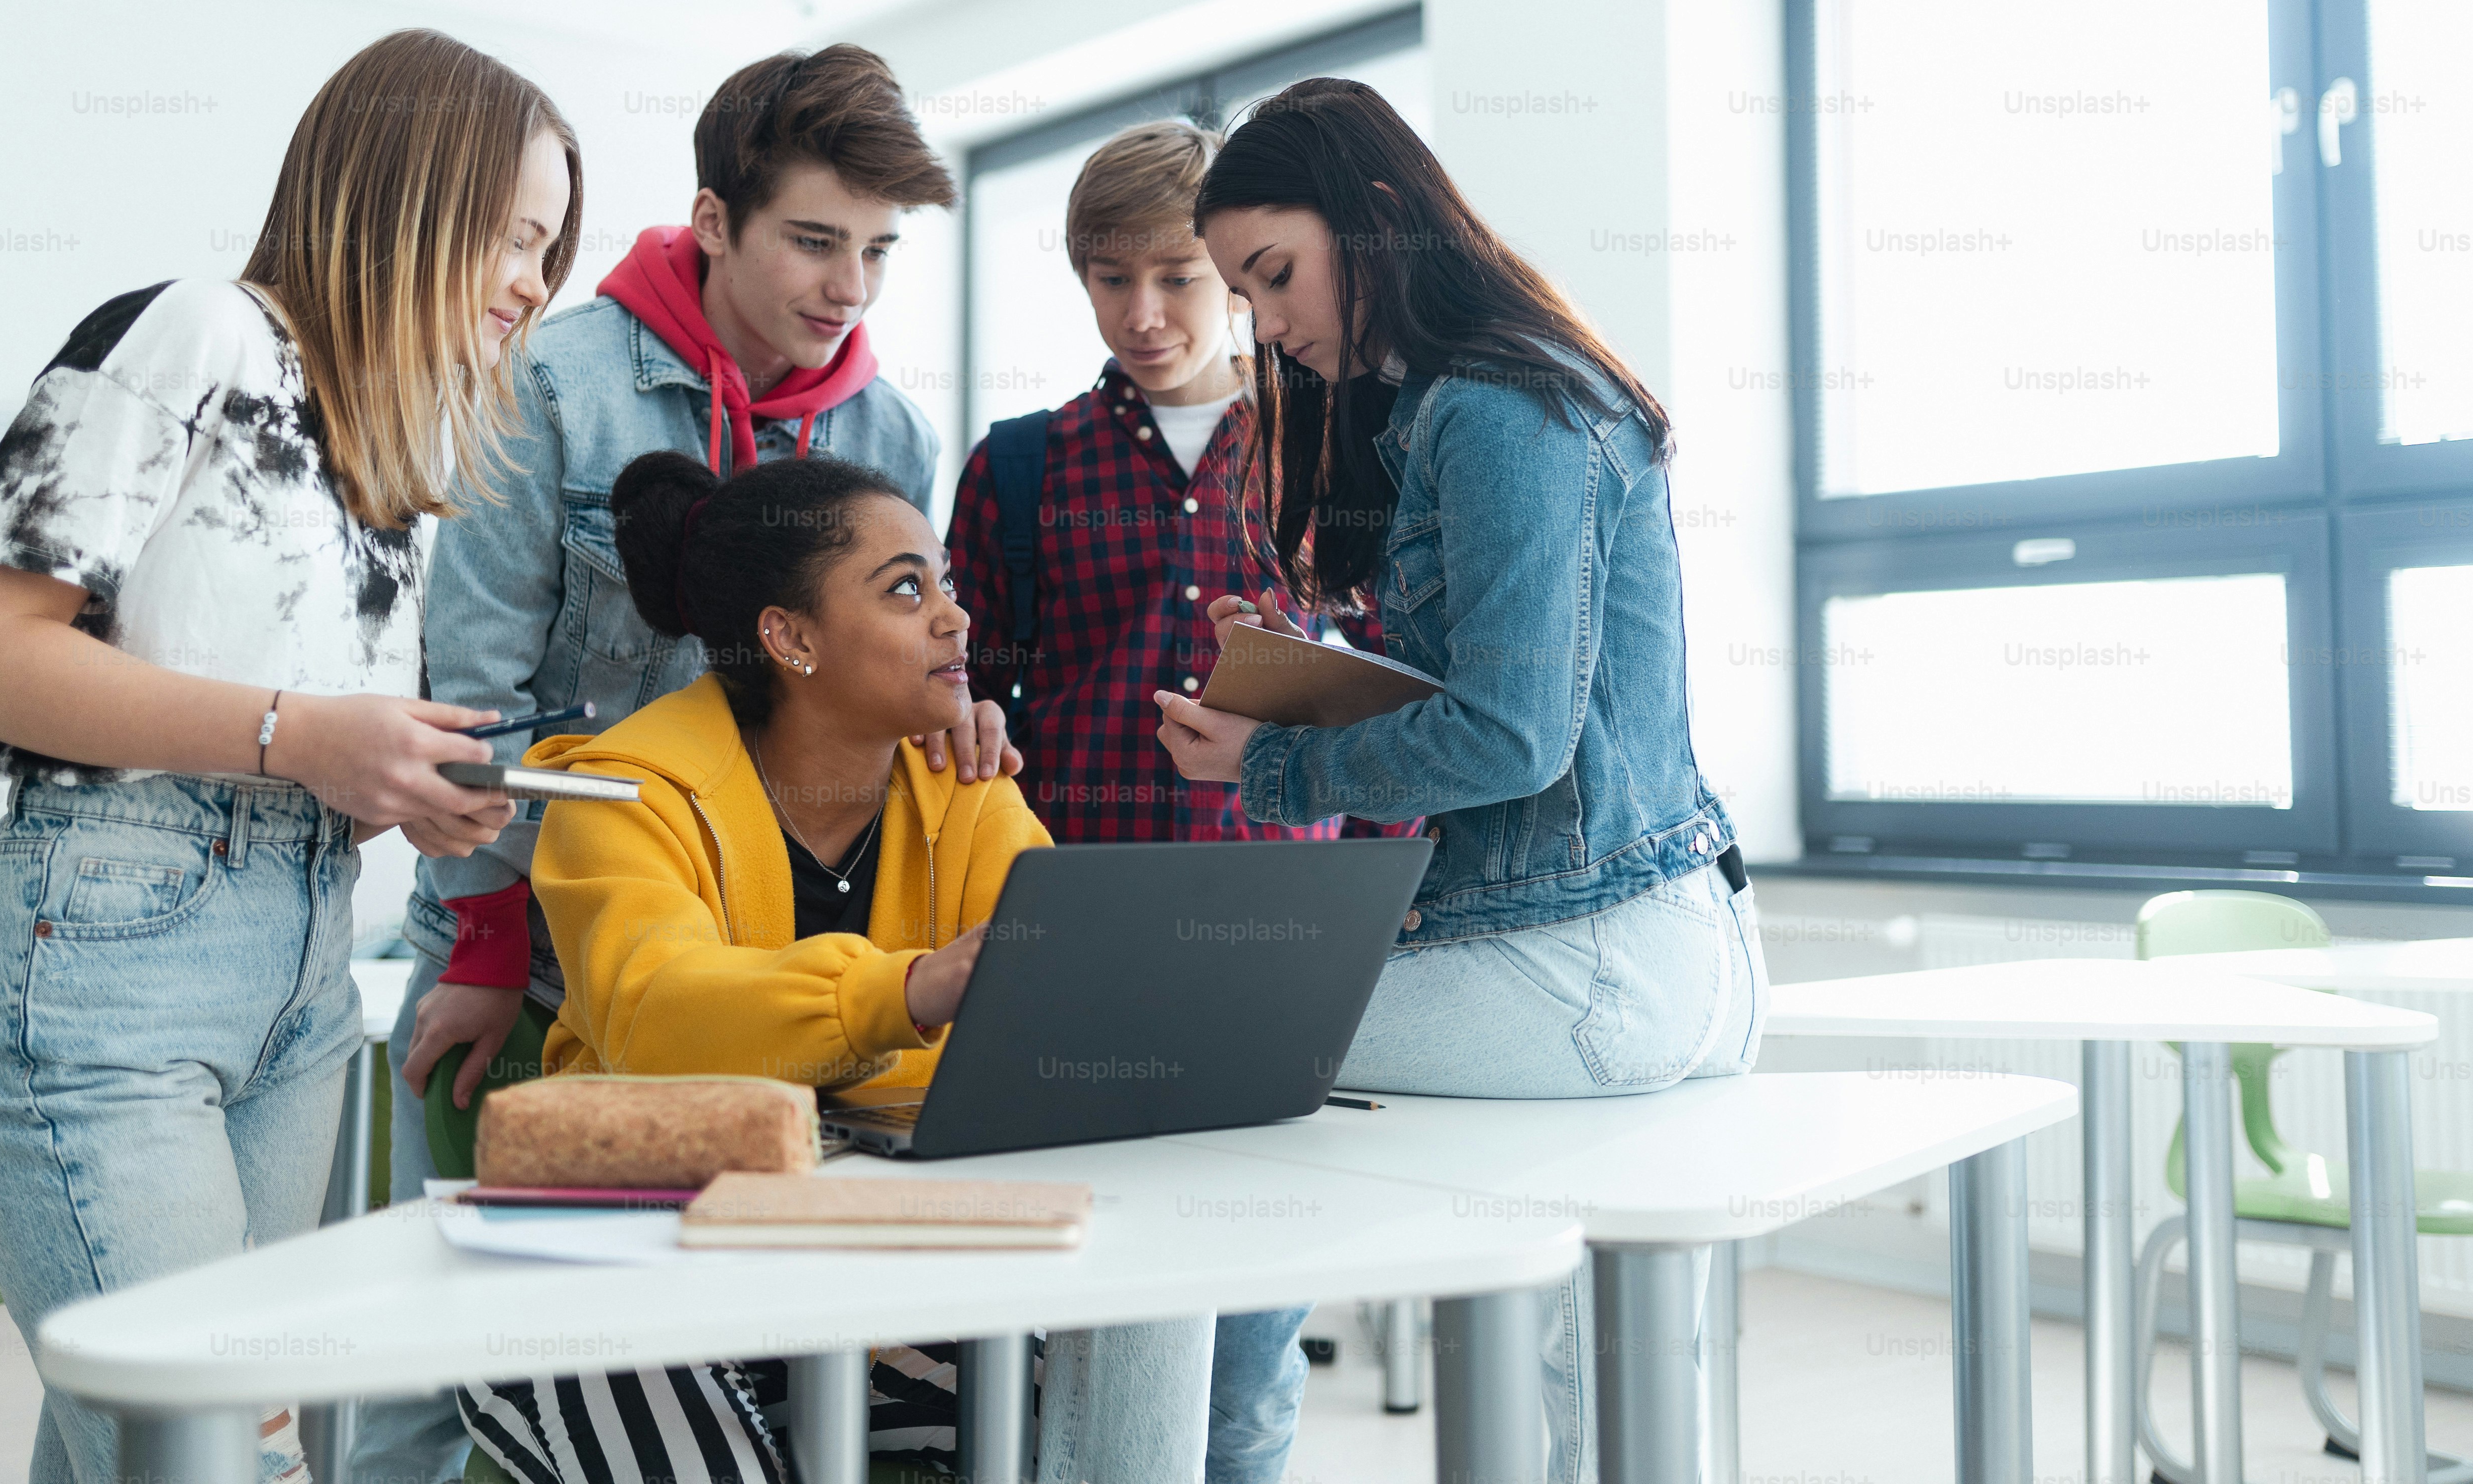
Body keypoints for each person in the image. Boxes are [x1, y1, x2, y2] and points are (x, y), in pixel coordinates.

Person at [0, 29, 573, 1484]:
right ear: (414, 192)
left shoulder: (386, 455)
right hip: (107, 960)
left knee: (142, 1456)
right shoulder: (200, 331)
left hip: (298, 975)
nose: (535, 286)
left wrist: (396, 785)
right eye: (517, 238)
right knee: (231, 1456)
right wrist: (304, 737)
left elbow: (289, 744)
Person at [356, 45, 1014, 1484]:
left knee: (701, 1333)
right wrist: (480, 927)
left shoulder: (888, 429)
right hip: (524, 931)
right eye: (814, 241)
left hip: (754, 978)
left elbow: (893, 679)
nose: (848, 287)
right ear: (716, 221)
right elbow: (471, 698)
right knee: (430, 1353)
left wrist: (951, 701)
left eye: (880, 253)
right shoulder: (558, 383)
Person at [1150, 77, 1769, 1484]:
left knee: (1183, 1040)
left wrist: (1277, 757)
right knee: (1589, 1374)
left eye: (1275, 276)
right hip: (1657, 940)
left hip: (1593, 959)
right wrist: (1315, 676)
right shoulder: (1513, 387)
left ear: (1374, 219)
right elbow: (1520, 699)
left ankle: (1184, 1454)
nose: (1267, 324)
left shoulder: (1493, 409)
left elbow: (1511, 740)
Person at [459, 449, 1218, 1482]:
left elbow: (1063, 1003)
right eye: (908, 590)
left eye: (946, 581)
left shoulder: (970, 786)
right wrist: (904, 990)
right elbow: (655, 1013)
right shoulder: (622, 798)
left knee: (1128, 1335)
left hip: (865, 1272)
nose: (954, 616)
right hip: (634, 1262)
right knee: (630, 1372)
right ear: (790, 638)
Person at [945, 118, 1407, 1483]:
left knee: (1250, 1370)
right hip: (1078, 939)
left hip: (1284, 943)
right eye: (1105, 279)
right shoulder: (1020, 468)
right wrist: (955, 706)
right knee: (1067, 1345)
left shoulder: (1343, 452)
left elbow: (1400, 692)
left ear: (1229, 271)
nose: (1141, 315)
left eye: (1175, 277)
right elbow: (966, 685)